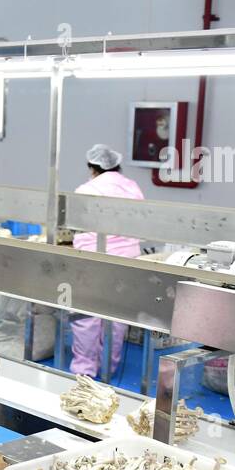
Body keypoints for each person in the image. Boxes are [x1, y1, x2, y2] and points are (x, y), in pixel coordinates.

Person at [68, 144, 144, 380]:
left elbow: (75, 224)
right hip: (128, 262)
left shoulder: (88, 189)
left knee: (86, 316)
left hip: (94, 261)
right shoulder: (133, 188)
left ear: (93, 167)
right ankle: (108, 367)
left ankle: (84, 371)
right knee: (117, 315)